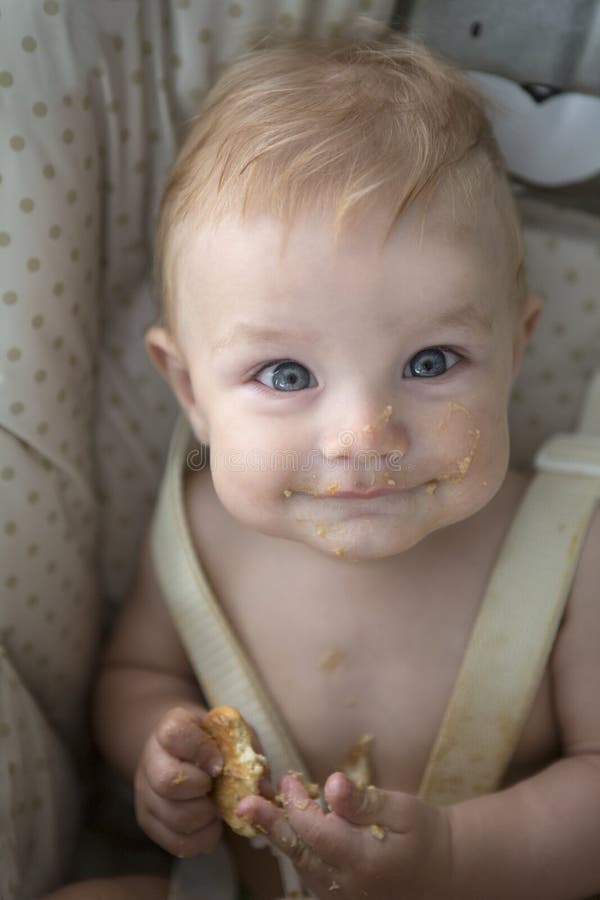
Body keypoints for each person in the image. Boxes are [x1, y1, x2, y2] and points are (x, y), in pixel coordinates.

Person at [89, 29, 600, 900]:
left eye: (432, 362)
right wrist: (159, 744)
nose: (365, 434)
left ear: (516, 349)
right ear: (188, 387)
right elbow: (138, 675)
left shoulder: (567, 546)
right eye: (286, 375)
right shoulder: (198, 533)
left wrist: (454, 861)